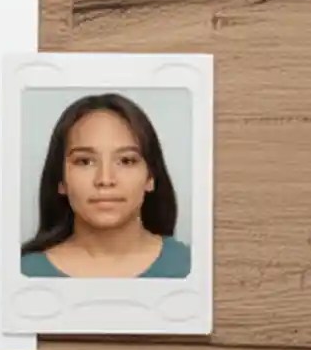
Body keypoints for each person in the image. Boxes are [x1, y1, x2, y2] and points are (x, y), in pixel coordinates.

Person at [21, 92, 190, 278]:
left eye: (126, 161)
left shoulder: (192, 267)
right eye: (84, 162)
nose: (105, 179)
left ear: (150, 177)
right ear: (61, 181)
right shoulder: (23, 273)